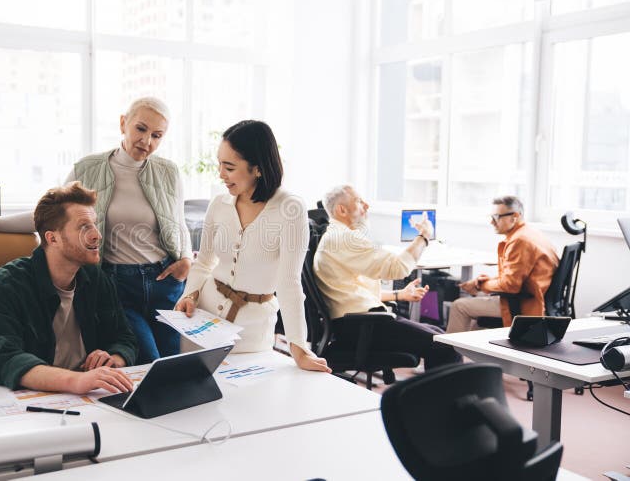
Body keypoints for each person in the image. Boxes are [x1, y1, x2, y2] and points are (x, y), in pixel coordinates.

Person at [0, 97, 192, 364]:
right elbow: (52, 215)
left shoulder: (168, 172)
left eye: (157, 136)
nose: (147, 141)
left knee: (172, 364)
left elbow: (178, 222)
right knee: (146, 361)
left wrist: (186, 259)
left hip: (164, 281)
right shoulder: (88, 168)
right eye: (141, 129)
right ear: (123, 123)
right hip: (117, 283)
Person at [173, 120, 330, 372]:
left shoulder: (290, 209)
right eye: (219, 164)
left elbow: (289, 282)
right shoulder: (219, 204)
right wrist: (189, 294)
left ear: (257, 168)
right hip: (202, 323)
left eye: (229, 167)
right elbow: (204, 262)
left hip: (252, 332)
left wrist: (298, 347)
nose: (221, 174)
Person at [0, 182, 136, 394]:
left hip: (89, 396)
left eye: (95, 225)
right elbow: (3, 358)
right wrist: (77, 381)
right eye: (83, 227)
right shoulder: (5, 286)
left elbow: (125, 338)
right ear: (53, 238)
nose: (97, 235)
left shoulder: (95, 277)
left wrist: (112, 360)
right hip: (31, 398)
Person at [312, 185, 461, 369]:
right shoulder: (343, 239)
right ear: (341, 210)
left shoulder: (335, 236)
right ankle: (437, 397)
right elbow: (398, 267)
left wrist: (399, 295)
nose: (366, 205)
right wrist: (423, 237)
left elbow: (354, 292)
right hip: (362, 326)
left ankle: (438, 396)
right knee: (446, 346)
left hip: (358, 322)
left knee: (440, 335)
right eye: (359, 201)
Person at [447, 196, 559, 333]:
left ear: (515, 216)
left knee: (459, 306)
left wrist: (479, 285)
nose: (491, 222)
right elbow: (512, 277)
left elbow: (510, 286)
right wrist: (482, 282)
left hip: (523, 305)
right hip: (530, 297)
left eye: (496, 217)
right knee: (476, 316)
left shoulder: (520, 241)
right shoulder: (530, 233)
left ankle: (449, 354)